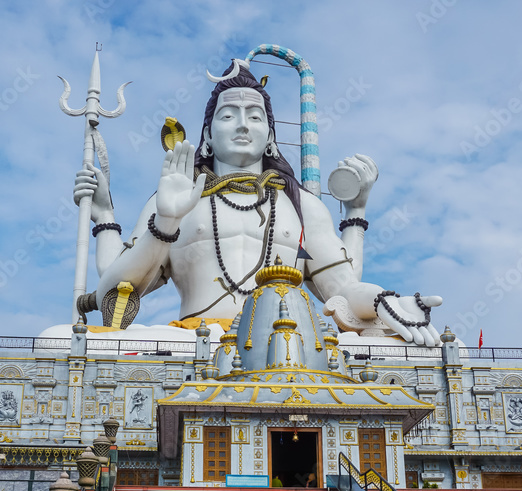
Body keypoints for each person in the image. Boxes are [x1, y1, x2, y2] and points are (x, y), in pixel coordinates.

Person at [74, 63, 442, 345]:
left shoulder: (301, 205)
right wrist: (156, 221)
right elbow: (113, 287)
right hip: (195, 340)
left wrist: (383, 301)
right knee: (58, 336)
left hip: (288, 350)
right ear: (207, 134)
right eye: (228, 114)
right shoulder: (176, 198)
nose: (242, 125)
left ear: (270, 136)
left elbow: (343, 290)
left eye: (254, 116)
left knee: (388, 345)